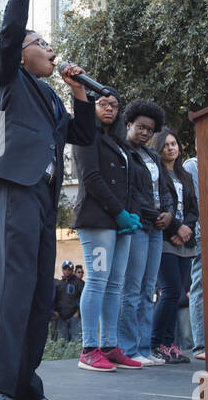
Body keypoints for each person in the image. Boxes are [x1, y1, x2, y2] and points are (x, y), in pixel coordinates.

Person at [0, 0, 94, 400]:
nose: (50, 48)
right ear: (21, 54)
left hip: (44, 197)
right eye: (41, 42)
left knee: (41, 293)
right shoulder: (8, 78)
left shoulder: (51, 98)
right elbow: (9, 33)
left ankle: (24, 385)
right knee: (16, 288)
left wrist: (80, 91)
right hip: (16, 188)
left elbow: (82, 135)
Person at [70, 91, 141, 373]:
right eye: (102, 104)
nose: (109, 108)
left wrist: (131, 214)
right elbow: (91, 177)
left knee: (116, 284)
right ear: (93, 106)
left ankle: (109, 346)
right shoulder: (86, 135)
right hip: (97, 219)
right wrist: (119, 212)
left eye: (114, 105)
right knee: (98, 280)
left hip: (120, 222)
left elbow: (129, 183)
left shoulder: (119, 143)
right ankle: (89, 349)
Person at [119, 99, 168, 367]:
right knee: (132, 289)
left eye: (150, 130)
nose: (145, 133)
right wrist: (152, 214)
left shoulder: (153, 156)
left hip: (157, 228)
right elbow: (130, 192)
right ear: (128, 124)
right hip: (138, 225)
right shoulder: (123, 152)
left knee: (149, 289)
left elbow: (164, 191)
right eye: (140, 127)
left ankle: (145, 347)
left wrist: (169, 215)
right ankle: (128, 349)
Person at [150, 128, 198, 364]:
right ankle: (157, 343)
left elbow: (193, 209)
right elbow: (159, 207)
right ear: (158, 148)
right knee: (168, 291)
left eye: (174, 143)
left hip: (185, 242)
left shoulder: (185, 176)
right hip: (165, 239)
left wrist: (186, 228)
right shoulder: (157, 175)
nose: (171, 148)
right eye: (166, 145)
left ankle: (170, 346)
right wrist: (176, 228)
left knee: (177, 292)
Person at [182, 153, 205, 359]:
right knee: (199, 286)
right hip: (200, 236)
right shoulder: (193, 166)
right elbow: (193, 203)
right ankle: (201, 345)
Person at [51, 261, 83, 342]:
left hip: (74, 316)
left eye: (69, 269)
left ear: (72, 270)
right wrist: (54, 310)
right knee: (62, 341)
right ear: (62, 270)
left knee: (76, 340)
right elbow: (55, 298)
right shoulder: (59, 284)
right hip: (61, 317)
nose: (67, 271)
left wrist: (78, 312)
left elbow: (82, 298)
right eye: (65, 269)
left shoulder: (78, 283)